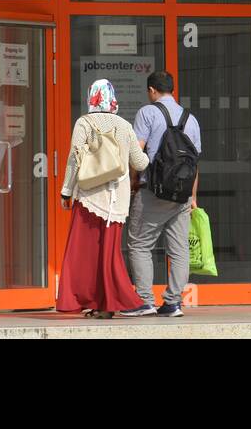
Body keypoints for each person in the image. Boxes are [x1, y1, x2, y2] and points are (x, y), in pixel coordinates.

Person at [57, 79, 149, 318]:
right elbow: (139, 163)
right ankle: (107, 304)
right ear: (112, 99)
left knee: (82, 255)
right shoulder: (125, 126)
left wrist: (66, 190)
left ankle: (87, 299)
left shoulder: (84, 123)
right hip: (116, 201)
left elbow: (74, 159)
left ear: (91, 98)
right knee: (109, 255)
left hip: (89, 197)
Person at [121, 70, 201, 318]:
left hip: (153, 192)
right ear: (172, 90)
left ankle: (145, 301)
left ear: (152, 91)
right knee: (179, 250)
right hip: (182, 195)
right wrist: (193, 196)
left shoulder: (148, 112)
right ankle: (173, 303)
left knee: (140, 244)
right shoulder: (191, 119)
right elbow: (194, 163)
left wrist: (134, 182)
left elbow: (137, 152)